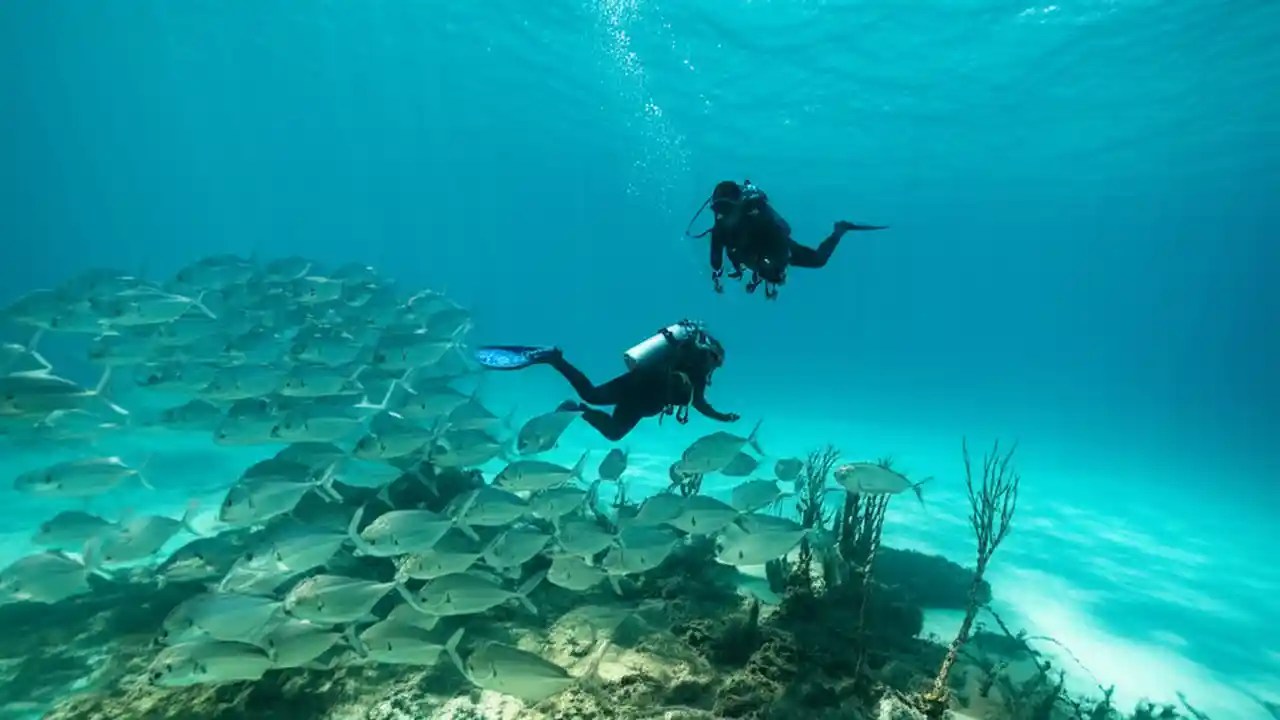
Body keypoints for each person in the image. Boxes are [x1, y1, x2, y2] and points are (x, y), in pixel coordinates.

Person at [473, 320, 739, 441]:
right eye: (717, 361)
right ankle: (555, 361)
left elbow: (700, 404)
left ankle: (575, 404)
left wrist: (722, 417)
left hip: (637, 401)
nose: (714, 366)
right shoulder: (692, 364)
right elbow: (700, 404)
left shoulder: (693, 368)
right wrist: (722, 417)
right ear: (714, 356)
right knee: (596, 404)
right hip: (637, 392)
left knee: (608, 425)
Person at [691, 179, 887, 299]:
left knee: (818, 261)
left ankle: (840, 230)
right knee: (757, 263)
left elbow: (780, 241)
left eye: (727, 209)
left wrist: (776, 267)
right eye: (718, 210)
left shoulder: (758, 214)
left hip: (775, 246)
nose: (722, 215)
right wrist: (717, 273)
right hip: (751, 254)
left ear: (739, 205)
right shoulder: (720, 227)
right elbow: (716, 255)